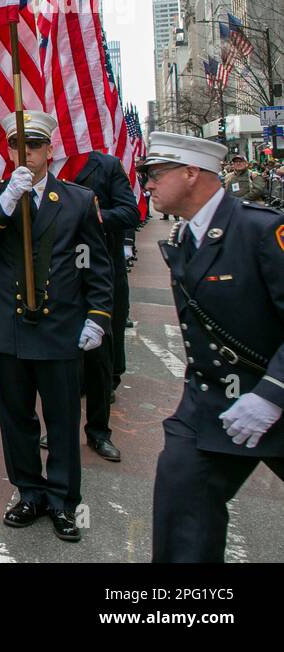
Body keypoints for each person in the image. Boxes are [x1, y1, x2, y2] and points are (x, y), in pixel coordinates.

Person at [0, 111, 113, 543]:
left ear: (50, 150)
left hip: (59, 328)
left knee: (63, 420)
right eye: (17, 146)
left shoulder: (78, 200)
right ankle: (29, 492)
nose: (25, 153)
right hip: (6, 331)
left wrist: (98, 317)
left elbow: (96, 268)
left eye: (33, 145)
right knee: (16, 419)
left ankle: (63, 501)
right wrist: (6, 202)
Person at [141, 132, 284, 561]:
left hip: (272, 392)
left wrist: (273, 395)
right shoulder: (186, 237)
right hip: (212, 401)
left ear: (191, 173)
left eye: (156, 174)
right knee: (181, 506)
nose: (147, 184)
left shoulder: (263, 229)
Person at [71, 148, 141, 461]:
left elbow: (130, 213)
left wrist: (91, 214)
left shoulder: (108, 165)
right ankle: (62, 426)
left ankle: (98, 431)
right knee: (64, 362)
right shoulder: (48, 164)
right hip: (62, 275)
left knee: (100, 356)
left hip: (100, 268)